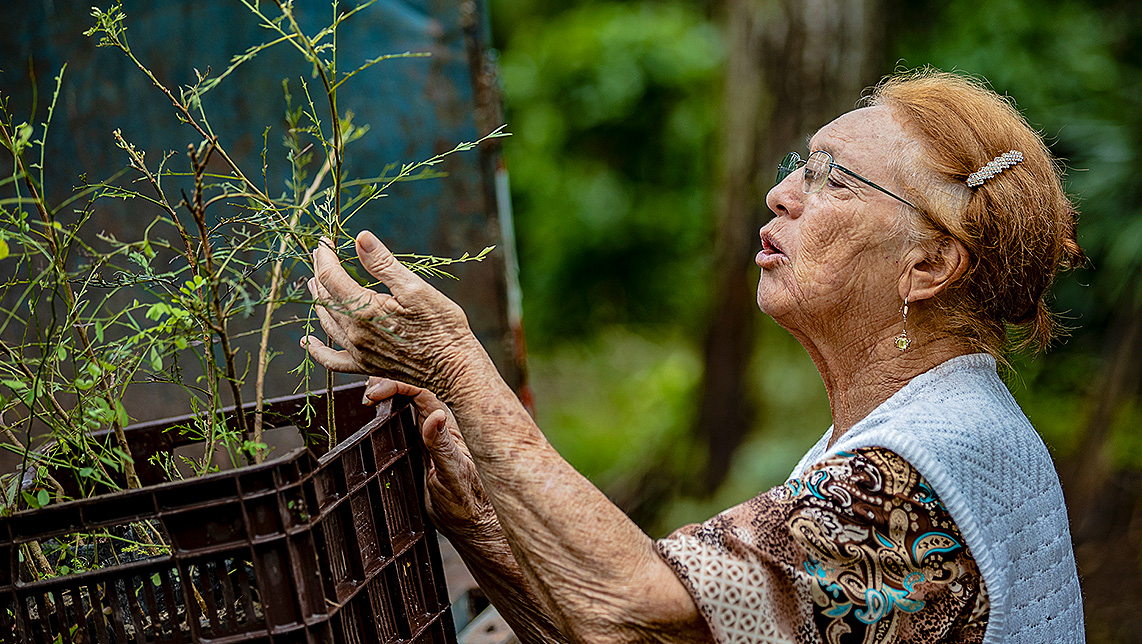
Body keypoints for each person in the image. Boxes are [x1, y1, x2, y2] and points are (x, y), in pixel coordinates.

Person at [302, 69, 1085, 643]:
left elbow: (637, 604)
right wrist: (480, 521)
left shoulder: (922, 471)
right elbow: (645, 638)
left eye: (833, 179)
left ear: (928, 268)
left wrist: (456, 367)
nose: (783, 194)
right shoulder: (920, 432)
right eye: (798, 165)